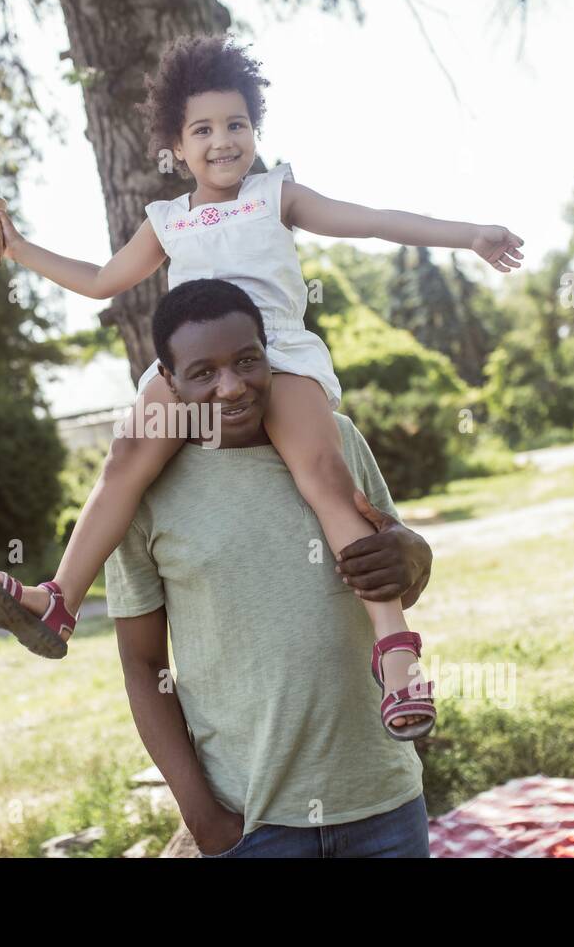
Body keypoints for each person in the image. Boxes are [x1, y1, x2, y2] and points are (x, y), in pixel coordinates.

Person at [0, 32, 523, 739]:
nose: (223, 140)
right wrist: (17, 247)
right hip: (192, 371)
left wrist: (469, 233)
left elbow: (375, 221)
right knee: (125, 460)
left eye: (237, 124)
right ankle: (58, 600)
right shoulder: (167, 220)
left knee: (325, 476)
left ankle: (397, 658)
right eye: (203, 129)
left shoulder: (274, 195)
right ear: (176, 142)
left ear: (254, 128)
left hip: (274, 354)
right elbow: (102, 281)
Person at [107, 278, 434, 857]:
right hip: (254, 821)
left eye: (246, 361)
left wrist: (415, 554)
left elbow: (398, 583)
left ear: (269, 355)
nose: (231, 387)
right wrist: (202, 815)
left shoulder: (335, 441)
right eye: (203, 372)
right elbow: (143, 662)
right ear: (169, 381)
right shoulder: (141, 495)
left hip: (383, 801)